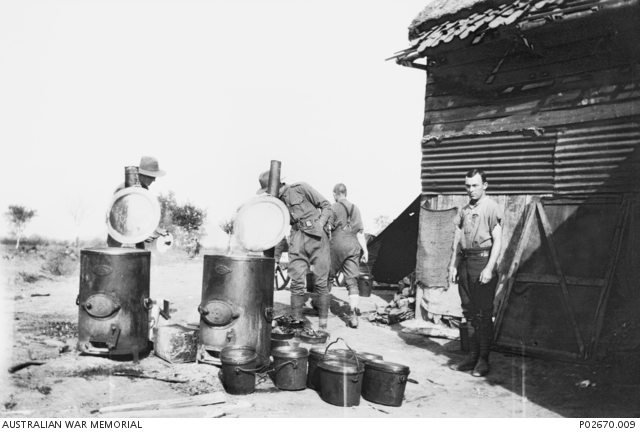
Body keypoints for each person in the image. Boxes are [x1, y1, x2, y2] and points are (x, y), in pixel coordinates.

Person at [256, 171, 332, 333]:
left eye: (268, 190)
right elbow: (277, 229)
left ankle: (323, 327)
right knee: (296, 281)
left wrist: (320, 224)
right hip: (297, 238)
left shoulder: (300, 188)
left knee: (320, 282)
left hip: (317, 237)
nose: (268, 194)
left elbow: (326, 205)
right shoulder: (276, 204)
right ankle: (297, 323)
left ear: (276, 185)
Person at [448, 169, 503, 377]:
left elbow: (498, 240)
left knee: (483, 313)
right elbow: (458, 242)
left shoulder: (491, 208)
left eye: (475, 185)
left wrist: (489, 268)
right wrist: (454, 265)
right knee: (469, 313)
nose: (471, 190)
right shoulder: (464, 211)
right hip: (466, 261)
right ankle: (471, 356)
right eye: (468, 186)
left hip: (483, 261)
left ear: (485, 186)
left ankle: (483, 360)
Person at [328, 183, 368, 328]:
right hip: (353, 245)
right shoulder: (355, 208)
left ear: (334, 193)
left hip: (337, 245)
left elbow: (327, 229)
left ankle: (322, 307)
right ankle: (352, 314)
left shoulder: (333, 207)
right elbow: (361, 233)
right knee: (352, 282)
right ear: (346, 193)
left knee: (328, 277)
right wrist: (366, 250)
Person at [107, 156, 167, 249]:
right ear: (143, 175)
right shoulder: (124, 189)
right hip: (121, 241)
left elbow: (141, 218)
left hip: (136, 240)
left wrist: (152, 231)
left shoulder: (144, 190)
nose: (154, 180)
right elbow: (121, 220)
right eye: (152, 176)